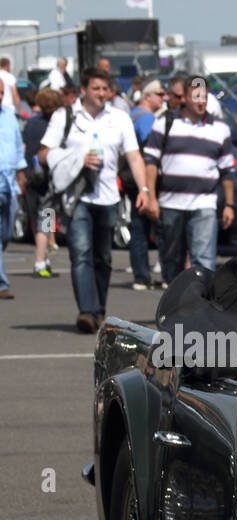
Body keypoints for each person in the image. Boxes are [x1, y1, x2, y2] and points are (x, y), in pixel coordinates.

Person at [39, 69, 150, 331]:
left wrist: (144, 188)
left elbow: (134, 156)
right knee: (81, 254)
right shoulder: (65, 116)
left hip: (108, 197)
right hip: (77, 197)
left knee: (103, 257)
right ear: (84, 90)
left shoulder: (119, 118)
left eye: (105, 89)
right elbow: (43, 154)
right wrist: (77, 160)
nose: (101, 94)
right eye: (96, 88)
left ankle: (99, 309)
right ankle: (86, 312)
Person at [141, 75, 235, 283]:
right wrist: (151, 197)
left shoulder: (220, 128)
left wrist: (229, 204)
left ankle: (201, 311)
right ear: (185, 98)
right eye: (196, 96)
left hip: (204, 204)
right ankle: (174, 309)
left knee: (203, 261)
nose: (201, 101)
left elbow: (227, 171)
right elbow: (150, 162)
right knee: (172, 259)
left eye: (204, 96)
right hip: (171, 204)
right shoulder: (165, 123)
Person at [128, 80, 166, 290]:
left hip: (131, 179)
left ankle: (140, 275)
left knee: (138, 226)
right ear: (148, 96)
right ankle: (145, 275)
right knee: (151, 225)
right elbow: (154, 145)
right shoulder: (147, 119)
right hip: (145, 178)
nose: (163, 98)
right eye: (159, 94)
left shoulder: (133, 114)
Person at [22, 88, 60, 278]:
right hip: (48, 179)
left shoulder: (30, 123)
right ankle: (40, 261)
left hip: (30, 176)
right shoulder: (55, 125)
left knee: (38, 218)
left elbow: (25, 148)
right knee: (45, 220)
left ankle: (44, 258)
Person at [0, 103, 26, 300]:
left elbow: (18, 146)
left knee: (6, 234)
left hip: (10, 184)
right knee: (46, 219)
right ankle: (2, 284)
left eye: (1, 92)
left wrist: (21, 176)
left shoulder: (9, 116)